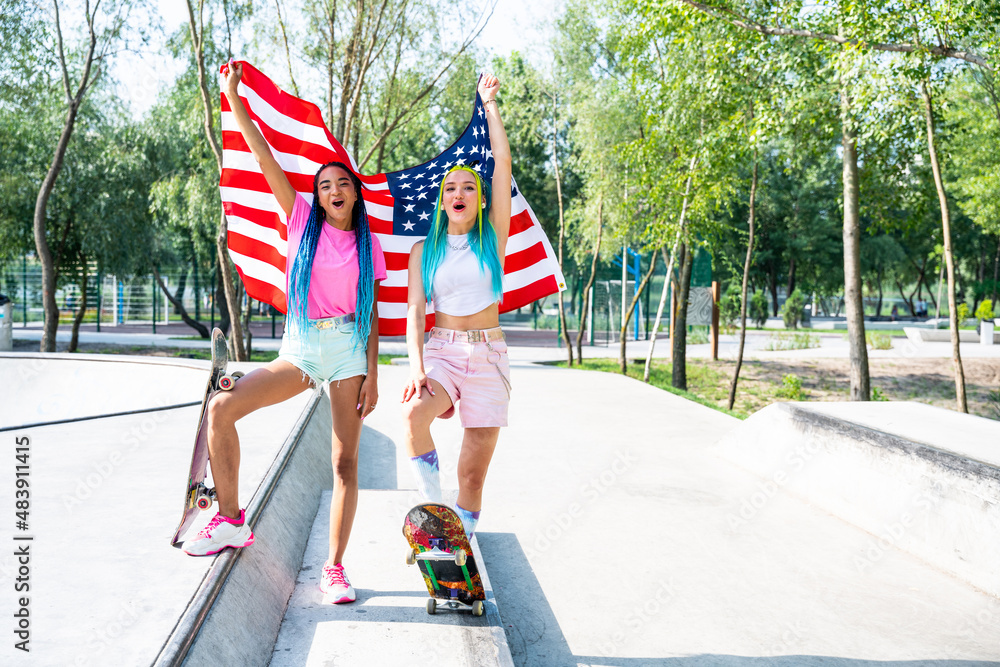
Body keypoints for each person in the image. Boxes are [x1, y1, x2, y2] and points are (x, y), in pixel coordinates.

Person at [182, 62, 386, 606]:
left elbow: (371, 315)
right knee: (221, 410)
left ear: (354, 193)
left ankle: (335, 569)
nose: (334, 189)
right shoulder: (299, 218)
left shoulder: (370, 246)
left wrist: (373, 373)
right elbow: (263, 156)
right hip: (298, 347)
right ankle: (229, 519)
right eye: (325, 185)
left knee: (345, 462)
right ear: (316, 196)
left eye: (342, 183)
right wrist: (232, 96)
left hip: (347, 350)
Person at [400, 74, 511, 540]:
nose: (459, 194)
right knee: (412, 415)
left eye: (468, 187)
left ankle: (460, 548)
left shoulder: (493, 239)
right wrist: (415, 366)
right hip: (442, 352)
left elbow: (501, 161)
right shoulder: (423, 251)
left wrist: (488, 106)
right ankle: (432, 516)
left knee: (473, 474)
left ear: (478, 199)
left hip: (489, 357)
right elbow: (414, 312)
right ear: (442, 201)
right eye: (450, 189)